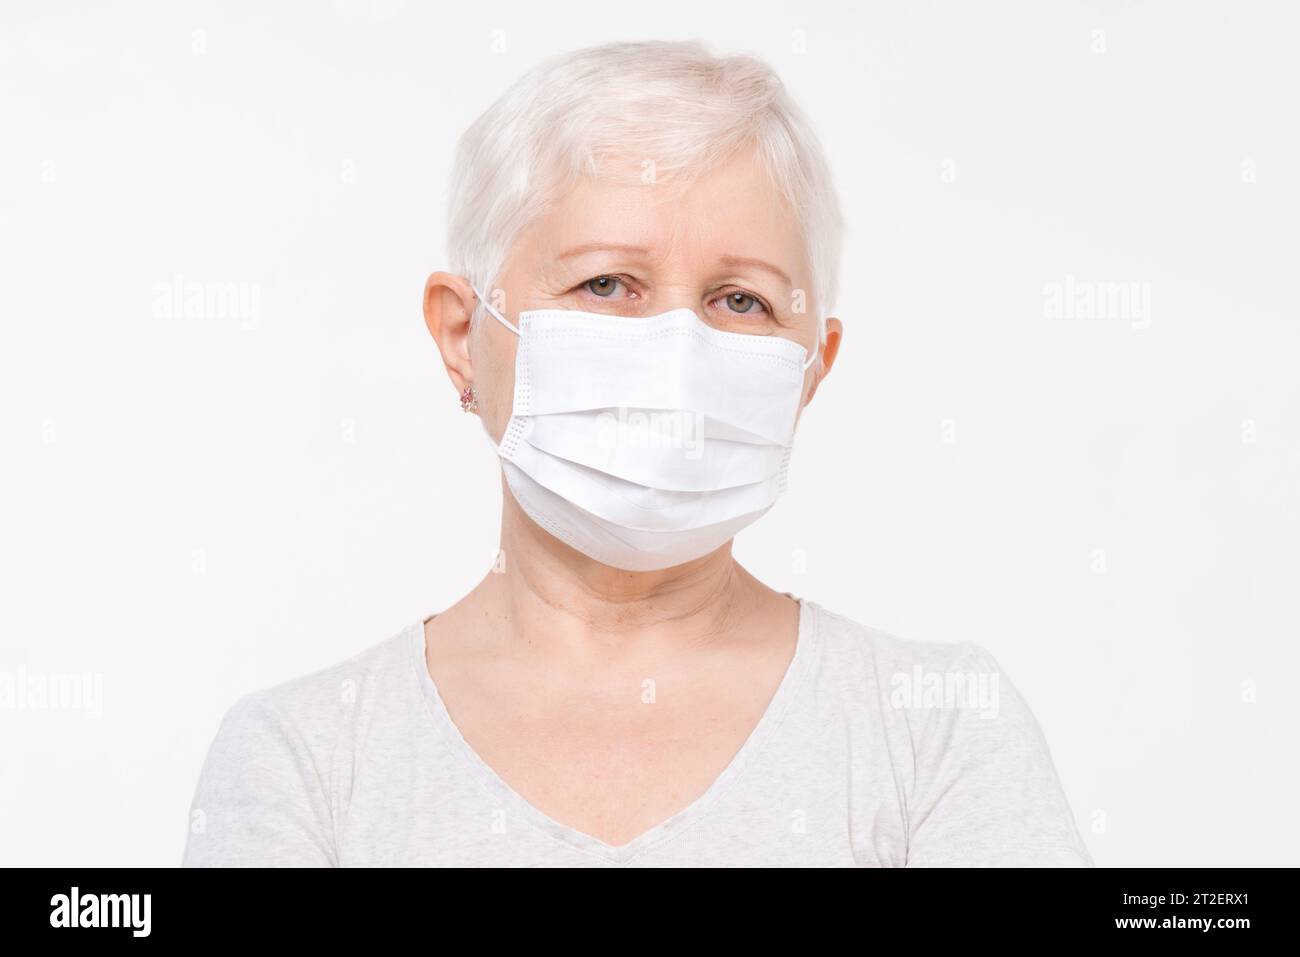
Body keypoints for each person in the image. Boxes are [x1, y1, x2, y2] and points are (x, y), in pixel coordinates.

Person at [182, 39, 1093, 867]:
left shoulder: (935, 731)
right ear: (464, 336)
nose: (678, 352)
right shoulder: (306, 758)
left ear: (811, 368)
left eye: (742, 301)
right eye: (607, 282)